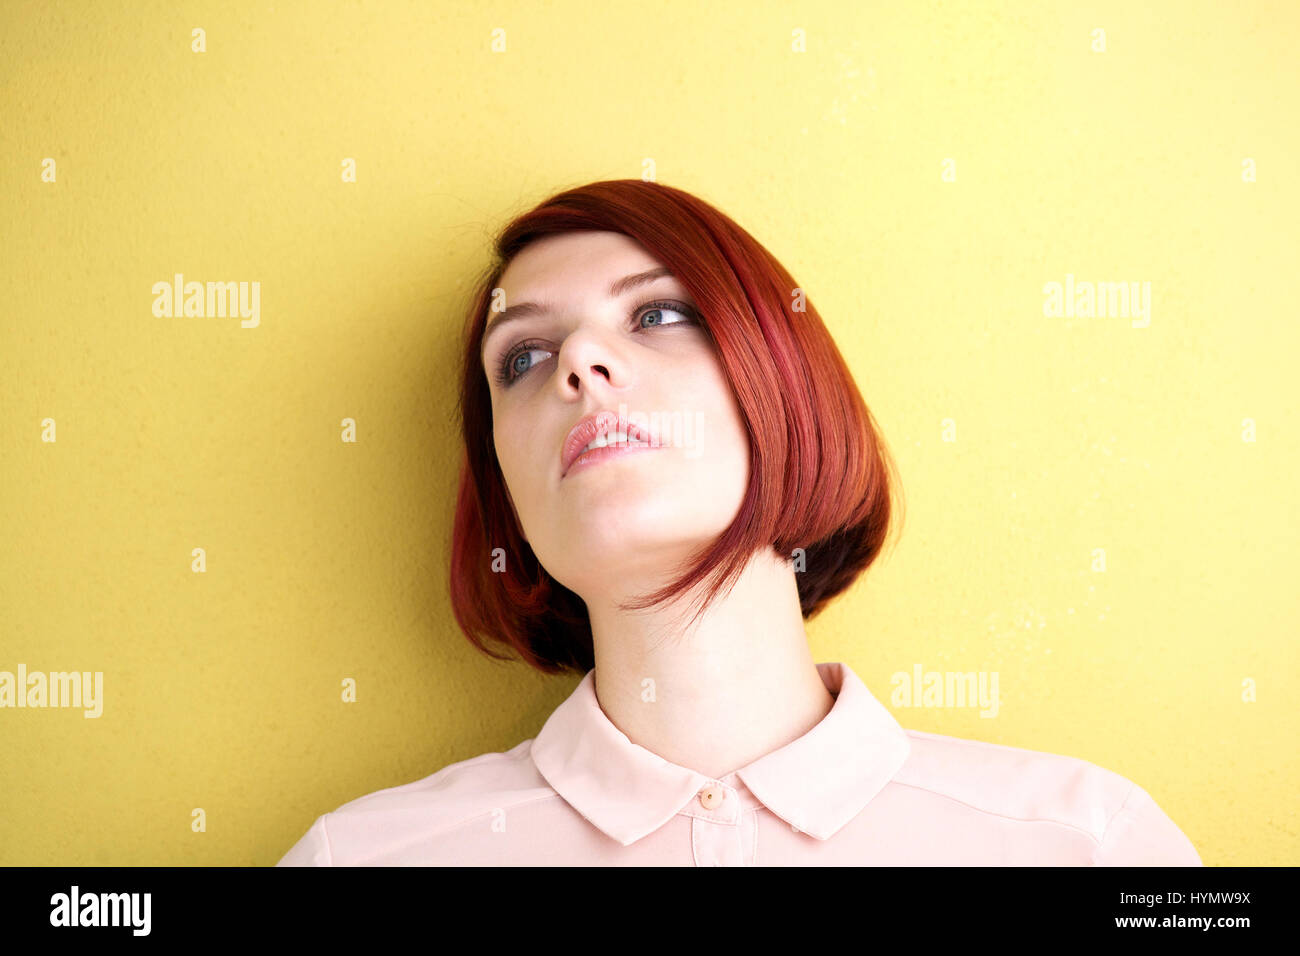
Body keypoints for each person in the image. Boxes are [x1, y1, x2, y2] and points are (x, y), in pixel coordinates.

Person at [277, 179, 1201, 866]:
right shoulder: (357, 861)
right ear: (506, 498)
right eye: (521, 357)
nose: (582, 363)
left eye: (659, 313)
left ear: (783, 386)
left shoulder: (1095, 845)